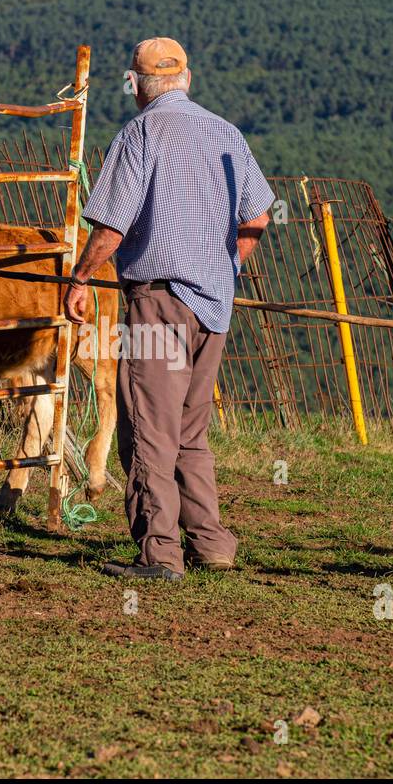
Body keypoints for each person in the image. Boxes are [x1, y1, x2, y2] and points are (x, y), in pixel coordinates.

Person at [62, 37, 275, 580]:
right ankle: (211, 544)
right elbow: (257, 218)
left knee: (148, 429)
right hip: (214, 307)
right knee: (189, 431)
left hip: (156, 302)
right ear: (187, 77)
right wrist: (228, 268)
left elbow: (112, 226)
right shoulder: (227, 134)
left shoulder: (139, 134)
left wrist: (80, 277)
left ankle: (160, 554)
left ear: (135, 84)